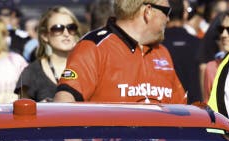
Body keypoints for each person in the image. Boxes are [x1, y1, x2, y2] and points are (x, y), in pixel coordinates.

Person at [53, 0, 187, 104]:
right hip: (108, 140)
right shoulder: (94, 46)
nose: (168, 19)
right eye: (167, 12)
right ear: (148, 11)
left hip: (159, 140)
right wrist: (76, 140)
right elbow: (65, 100)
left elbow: (181, 109)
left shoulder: (162, 52)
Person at [16, 6, 81, 102]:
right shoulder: (31, 73)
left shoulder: (89, 67)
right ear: (45, 35)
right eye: (58, 28)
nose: (66, 34)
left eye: (71, 28)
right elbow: (23, 112)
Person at [163, 0, 203, 104]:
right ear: (185, 14)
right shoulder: (198, 43)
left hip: (165, 108)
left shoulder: (157, 46)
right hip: (196, 110)